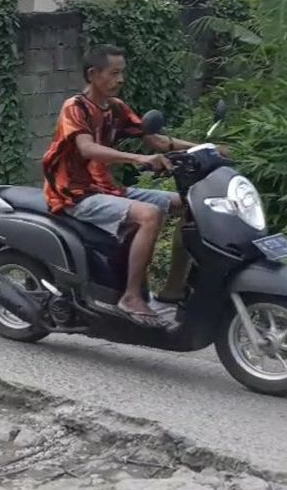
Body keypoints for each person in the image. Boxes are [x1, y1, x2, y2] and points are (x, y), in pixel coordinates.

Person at [43, 44, 198, 325]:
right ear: (93, 74)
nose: (121, 79)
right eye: (114, 73)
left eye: (121, 73)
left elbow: (157, 141)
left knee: (190, 205)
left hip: (106, 189)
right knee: (149, 215)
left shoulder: (116, 108)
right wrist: (138, 158)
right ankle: (131, 296)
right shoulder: (75, 108)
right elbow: (87, 148)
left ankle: (173, 289)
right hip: (75, 194)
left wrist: (205, 149)